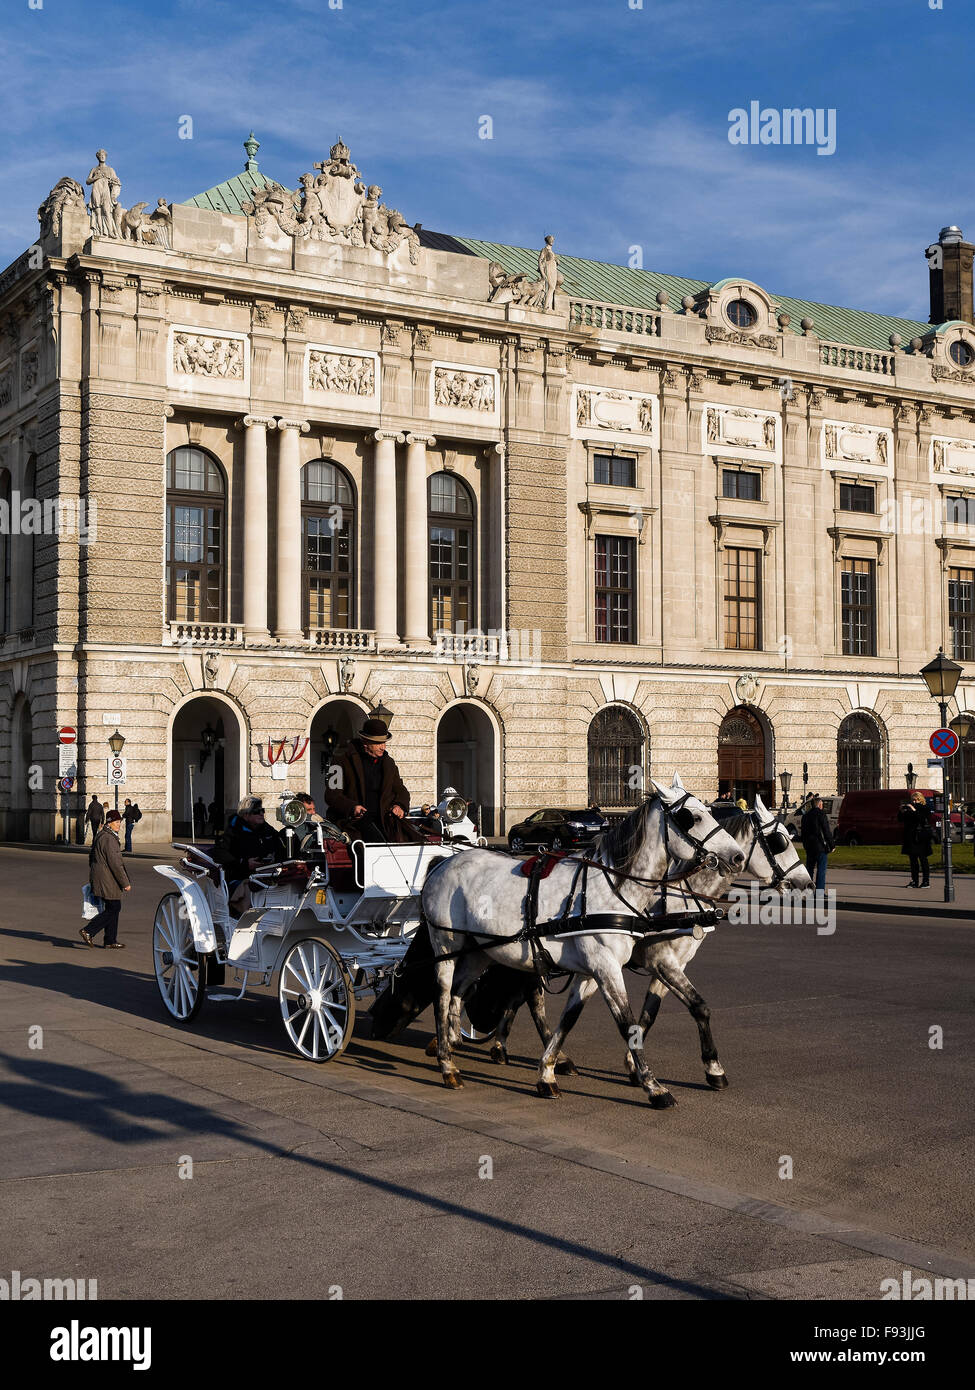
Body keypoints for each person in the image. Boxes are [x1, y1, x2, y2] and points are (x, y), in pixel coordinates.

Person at [323, 717, 421, 843]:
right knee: (376, 843)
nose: (383, 747)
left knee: (416, 840)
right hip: (354, 821)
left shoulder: (389, 763)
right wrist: (352, 807)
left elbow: (401, 791)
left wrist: (400, 806)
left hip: (385, 820)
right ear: (366, 742)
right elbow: (332, 795)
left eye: (384, 743)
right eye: (378, 743)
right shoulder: (340, 762)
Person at [212, 796, 287, 912]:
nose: (262, 814)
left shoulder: (268, 830)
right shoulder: (232, 832)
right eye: (257, 811)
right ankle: (245, 920)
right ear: (245, 815)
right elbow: (219, 854)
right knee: (249, 889)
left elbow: (282, 847)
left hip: (265, 875)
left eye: (263, 811)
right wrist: (244, 863)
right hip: (239, 877)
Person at [80, 810, 131, 949]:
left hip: (102, 877)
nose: (119, 825)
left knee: (112, 907)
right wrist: (125, 883)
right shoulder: (109, 838)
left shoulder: (102, 835)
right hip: (107, 879)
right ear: (109, 823)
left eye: (120, 822)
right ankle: (89, 931)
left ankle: (110, 940)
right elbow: (115, 863)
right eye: (116, 822)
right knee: (114, 907)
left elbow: (91, 857)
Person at [898, 791, 932, 888]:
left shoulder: (925, 808)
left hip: (921, 837)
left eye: (917, 799)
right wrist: (901, 811)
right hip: (911, 837)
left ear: (921, 800)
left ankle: (926, 881)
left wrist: (914, 810)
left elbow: (922, 819)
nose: (914, 801)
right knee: (913, 860)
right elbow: (901, 819)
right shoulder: (909, 809)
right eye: (913, 799)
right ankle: (914, 881)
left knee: (923, 859)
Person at [801, 794, 834, 891]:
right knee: (821, 870)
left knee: (809, 869)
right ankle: (820, 891)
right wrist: (832, 844)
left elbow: (803, 833)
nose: (822, 806)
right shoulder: (821, 814)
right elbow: (826, 831)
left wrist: (805, 844)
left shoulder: (805, 816)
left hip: (809, 846)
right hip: (820, 846)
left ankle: (808, 890)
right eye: (822, 804)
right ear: (819, 804)